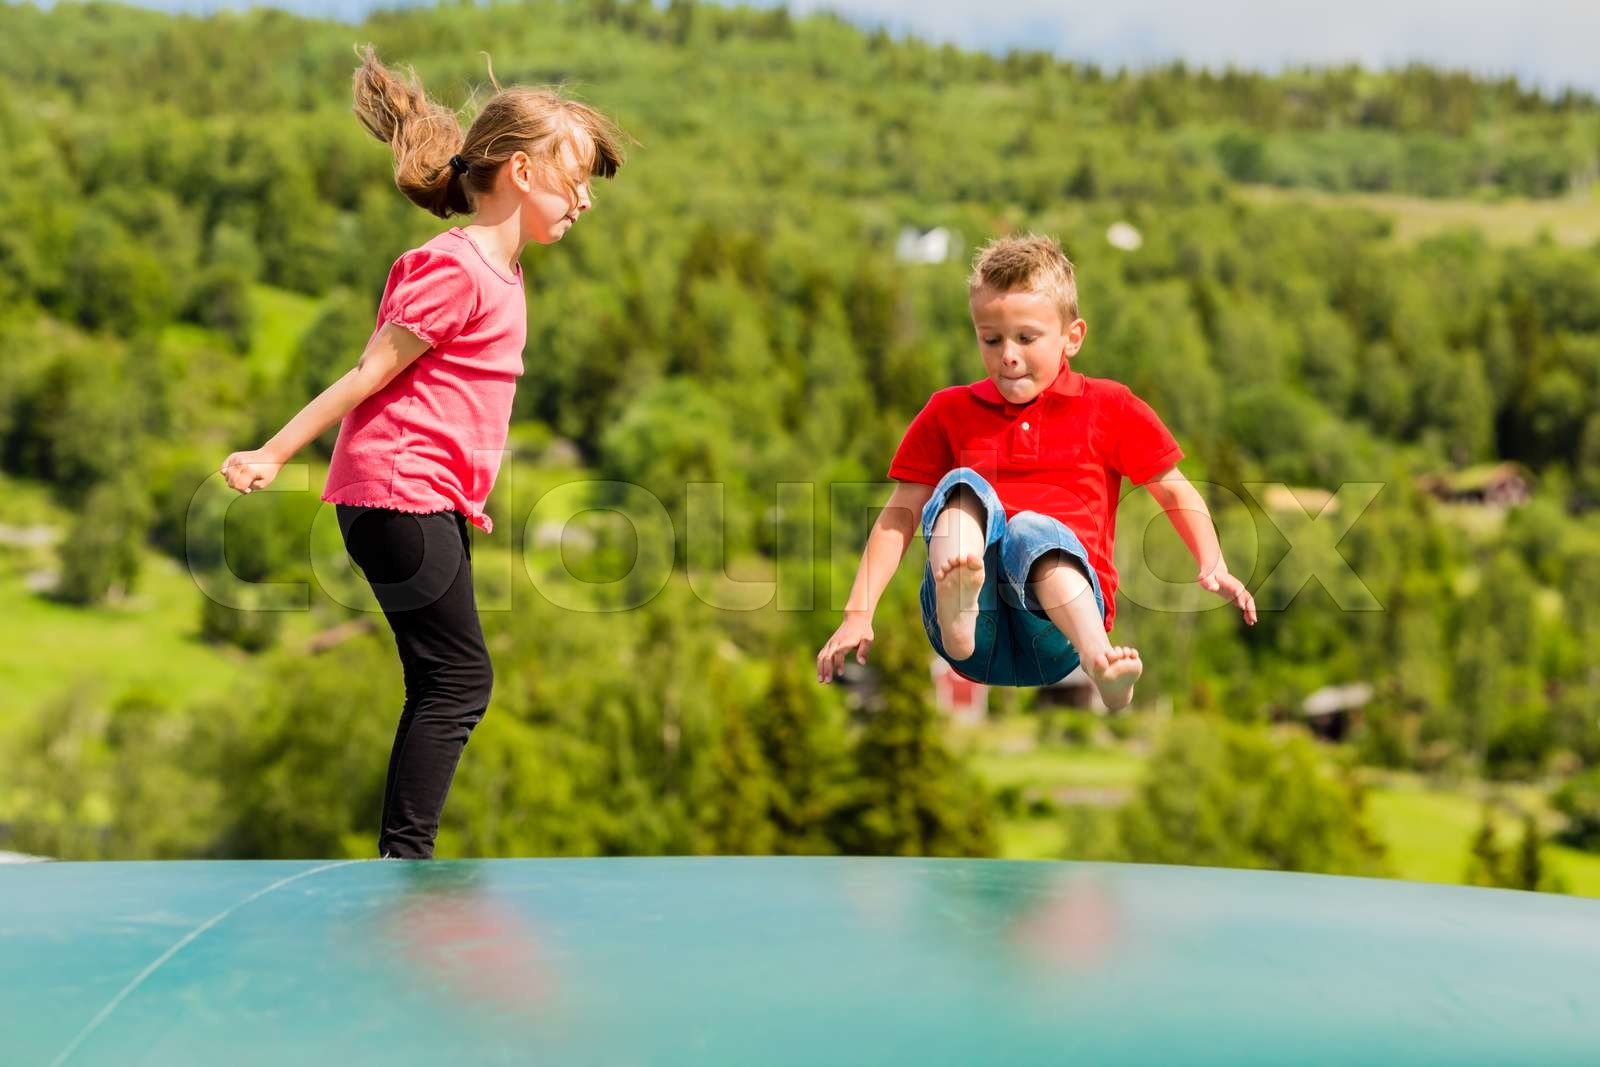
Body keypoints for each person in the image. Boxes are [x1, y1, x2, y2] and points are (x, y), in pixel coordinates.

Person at [220, 44, 627, 858]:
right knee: (458, 678)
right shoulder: (457, 268)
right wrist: (274, 451)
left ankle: (403, 858)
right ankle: (404, 864)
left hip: (428, 500)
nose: (584, 199)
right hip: (397, 493)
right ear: (517, 171)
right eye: (573, 177)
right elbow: (368, 374)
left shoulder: (502, 275)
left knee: (444, 677)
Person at [816, 234, 1255, 708]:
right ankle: (960, 610)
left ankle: (1101, 663)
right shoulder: (949, 413)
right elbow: (899, 515)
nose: (1008, 353)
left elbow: (1173, 491)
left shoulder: (1110, 406)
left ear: (1073, 337)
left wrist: (1213, 561)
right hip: (969, 643)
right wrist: (858, 613)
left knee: (1032, 531)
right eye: (992, 339)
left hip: (1058, 633)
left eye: (1026, 338)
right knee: (961, 490)